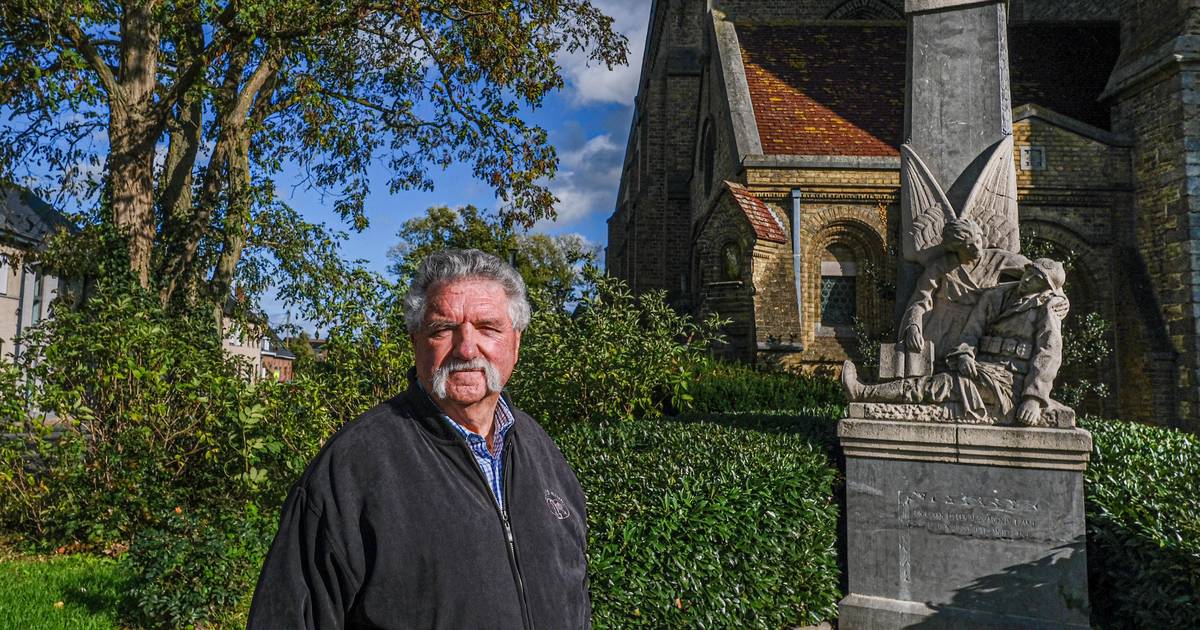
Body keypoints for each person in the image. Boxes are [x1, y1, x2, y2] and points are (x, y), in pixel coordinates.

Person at [248, 249, 590, 629]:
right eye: (443, 329)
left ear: (516, 342)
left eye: (488, 327)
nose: (465, 348)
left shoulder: (542, 452)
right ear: (415, 341)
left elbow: (575, 596)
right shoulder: (352, 467)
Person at [845, 258, 1069, 425]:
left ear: (1046, 288)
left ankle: (865, 394)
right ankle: (866, 395)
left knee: (939, 385)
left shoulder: (1047, 307)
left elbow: (1049, 353)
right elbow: (972, 331)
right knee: (939, 382)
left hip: (1010, 381)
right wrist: (964, 355)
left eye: (1036, 280)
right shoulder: (995, 296)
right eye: (1028, 273)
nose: (1027, 279)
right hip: (981, 369)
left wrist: (1033, 398)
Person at [900, 218, 1031, 368]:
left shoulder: (997, 259)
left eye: (978, 241)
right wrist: (913, 326)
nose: (976, 248)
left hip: (979, 328)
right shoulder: (940, 266)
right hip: (942, 330)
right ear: (955, 248)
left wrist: (1057, 295)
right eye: (969, 245)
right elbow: (921, 299)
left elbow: (1037, 272)